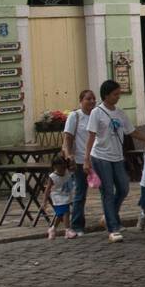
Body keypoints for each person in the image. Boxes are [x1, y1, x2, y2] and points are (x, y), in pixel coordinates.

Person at [83, 80, 145, 243]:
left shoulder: (120, 113)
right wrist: (86, 159)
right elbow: (91, 136)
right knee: (107, 191)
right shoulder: (97, 113)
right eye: (115, 94)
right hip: (100, 156)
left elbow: (132, 131)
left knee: (123, 187)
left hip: (117, 156)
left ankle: (109, 215)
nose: (118, 96)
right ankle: (113, 228)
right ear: (106, 95)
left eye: (119, 93)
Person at [61, 88, 96, 236]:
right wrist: (69, 155)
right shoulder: (75, 116)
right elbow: (68, 137)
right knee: (80, 193)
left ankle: (110, 220)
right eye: (88, 99)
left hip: (97, 158)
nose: (92, 101)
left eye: (93, 98)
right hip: (81, 160)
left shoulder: (97, 115)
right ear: (81, 101)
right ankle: (77, 225)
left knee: (107, 189)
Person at [43, 155, 77, 240]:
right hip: (57, 197)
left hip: (67, 195)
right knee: (66, 211)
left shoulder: (67, 172)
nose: (62, 170)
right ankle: (68, 230)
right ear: (55, 167)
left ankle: (53, 229)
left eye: (64, 167)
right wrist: (44, 202)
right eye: (60, 168)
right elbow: (47, 190)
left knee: (60, 215)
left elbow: (74, 168)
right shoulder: (52, 177)